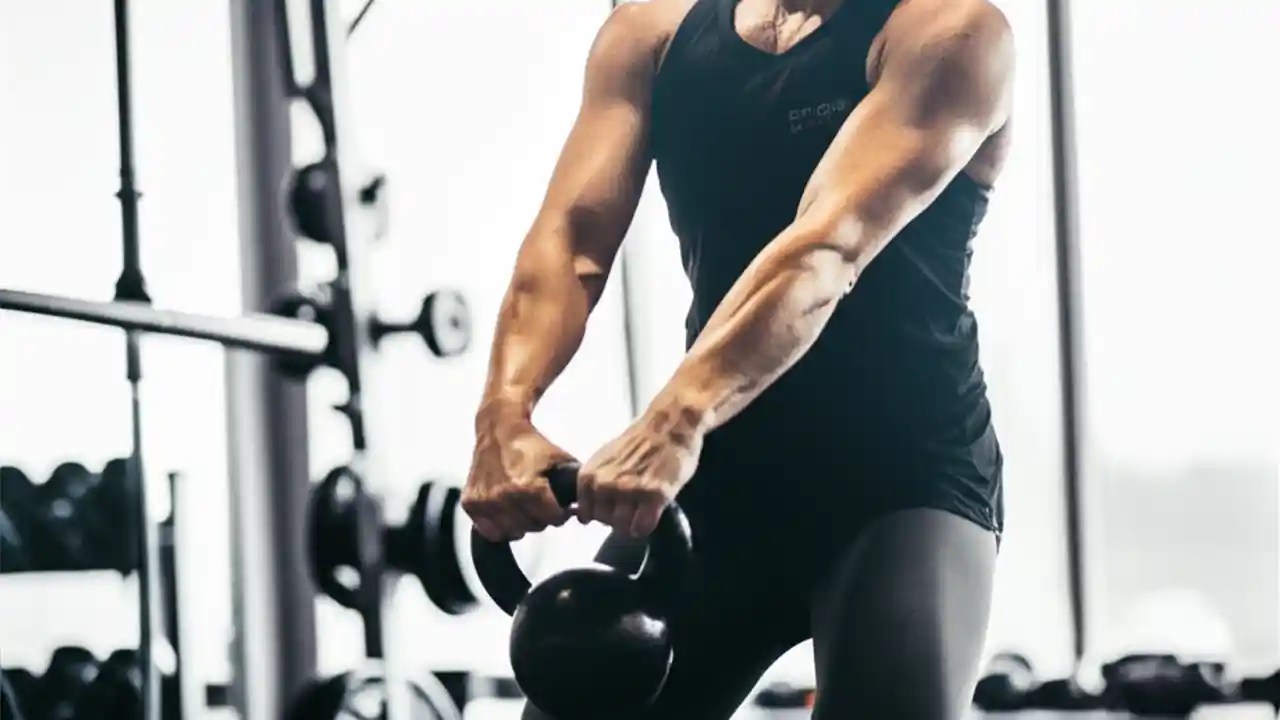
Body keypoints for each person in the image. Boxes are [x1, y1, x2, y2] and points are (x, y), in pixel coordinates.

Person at [463, 0, 1014, 716]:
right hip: (721, 479)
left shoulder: (952, 33)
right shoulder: (651, 32)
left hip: (902, 479)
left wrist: (674, 422)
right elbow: (573, 238)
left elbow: (825, 249)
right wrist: (504, 415)